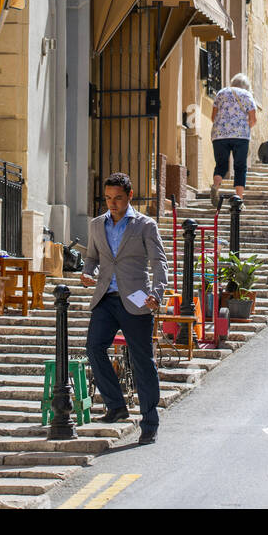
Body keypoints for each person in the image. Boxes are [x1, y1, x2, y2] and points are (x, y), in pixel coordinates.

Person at [82, 172, 168, 445]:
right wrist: (87, 272)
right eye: (108, 198)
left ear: (129, 196)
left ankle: (150, 421)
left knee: (142, 361)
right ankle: (116, 406)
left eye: (118, 198)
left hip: (137, 298)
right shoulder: (97, 225)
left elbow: (158, 262)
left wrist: (157, 293)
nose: (112, 204)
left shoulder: (145, 225)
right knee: (94, 347)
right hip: (105, 298)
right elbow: (92, 257)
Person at [209, 73, 257, 209]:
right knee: (240, 167)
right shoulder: (247, 95)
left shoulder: (221, 93)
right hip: (240, 136)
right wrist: (245, 126)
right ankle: (239, 200)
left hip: (219, 135)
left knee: (221, 164)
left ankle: (216, 186)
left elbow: (213, 117)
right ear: (246, 86)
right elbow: (253, 119)